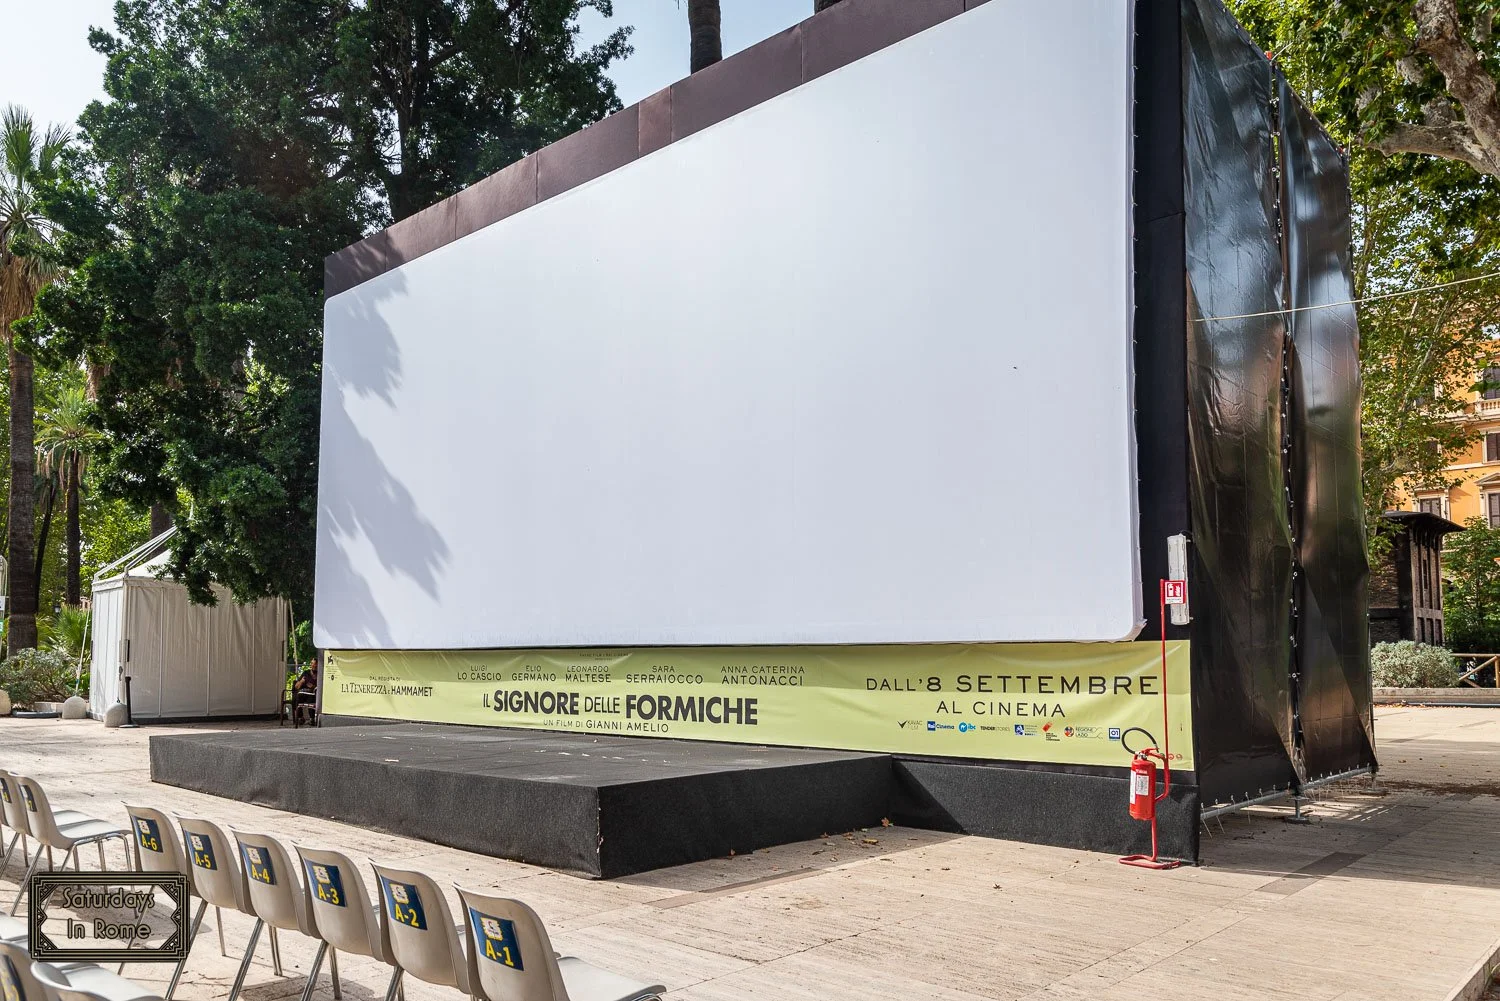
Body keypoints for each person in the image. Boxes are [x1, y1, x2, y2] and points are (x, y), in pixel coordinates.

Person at [292, 656, 319, 725]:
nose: (314, 666)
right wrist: (301, 681)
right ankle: (301, 717)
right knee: (295, 698)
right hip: (303, 693)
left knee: (311, 699)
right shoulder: (306, 673)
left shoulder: (320, 675)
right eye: (312, 664)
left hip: (313, 694)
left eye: (315, 664)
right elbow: (296, 686)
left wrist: (313, 687)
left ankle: (312, 719)